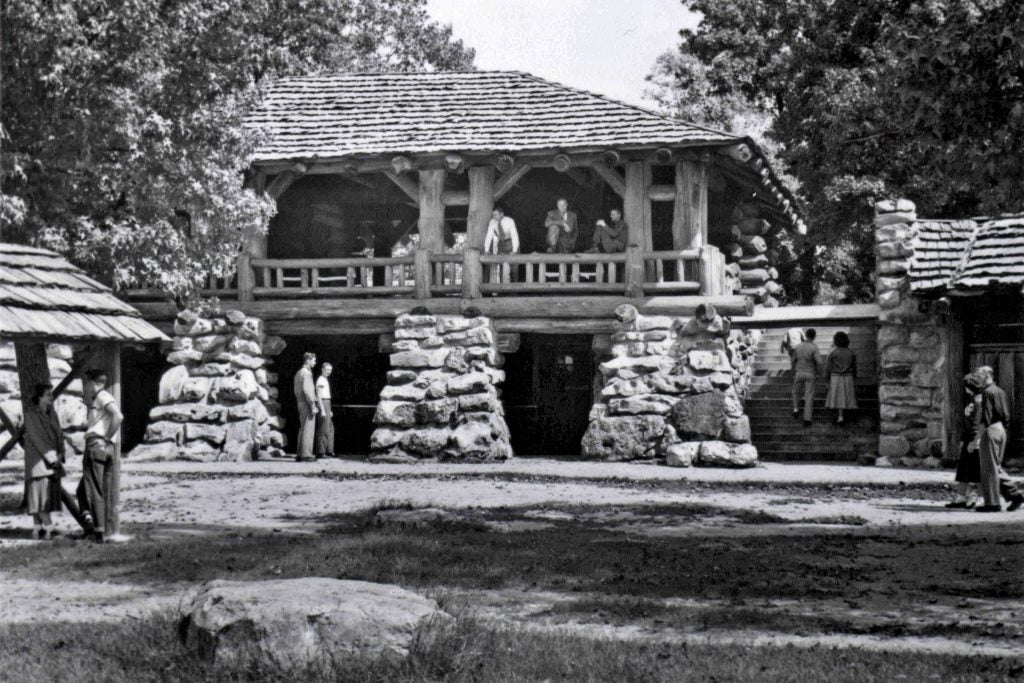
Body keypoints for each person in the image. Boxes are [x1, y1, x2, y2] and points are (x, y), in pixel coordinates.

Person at [77, 369, 122, 543]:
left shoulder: (103, 397)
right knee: (83, 489)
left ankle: (98, 532)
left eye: (87, 383)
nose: (85, 386)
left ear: (93, 382)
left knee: (95, 489)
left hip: (97, 444)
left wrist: (106, 437)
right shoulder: (97, 399)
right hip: (105, 447)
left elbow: (118, 416)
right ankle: (90, 520)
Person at [974, 366, 1024, 512]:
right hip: (1001, 429)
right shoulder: (1000, 391)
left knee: (988, 468)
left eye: (979, 376)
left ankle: (992, 503)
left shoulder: (987, 392)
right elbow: (1006, 414)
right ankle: (1014, 495)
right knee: (995, 466)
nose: (977, 379)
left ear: (986, 376)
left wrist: (976, 439)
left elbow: (986, 418)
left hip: (990, 430)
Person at [23, 384, 66, 540]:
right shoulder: (31, 415)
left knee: (40, 497)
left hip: (52, 460)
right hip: (39, 462)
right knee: (39, 498)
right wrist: (53, 458)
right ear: (39, 397)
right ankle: (50, 529)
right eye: (48, 394)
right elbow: (37, 439)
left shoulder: (52, 414)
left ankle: (38, 529)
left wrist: (61, 453)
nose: (51, 397)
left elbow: (60, 435)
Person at [947, 373, 982, 509]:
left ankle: (982, 497)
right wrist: (964, 439)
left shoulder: (980, 402)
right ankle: (961, 497)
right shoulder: (972, 400)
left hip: (975, 440)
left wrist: (974, 440)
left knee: (976, 470)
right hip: (968, 438)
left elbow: (977, 423)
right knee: (964, 469)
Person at [790, 328, 823, 426]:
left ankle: (795, 409)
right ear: (814, 336)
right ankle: (807, 418)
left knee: (795, 391)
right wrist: (819, 373)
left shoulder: (798, 346)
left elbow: (793, 360)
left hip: (799, 372)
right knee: (809, 395)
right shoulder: (814, 347)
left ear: (805, 335)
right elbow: (820, 362)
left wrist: (792, 371)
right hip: (810, 373)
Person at [824, 331, 858, 425]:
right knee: (847, 395)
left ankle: (840, 416)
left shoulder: (833, 353)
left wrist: (826, 380)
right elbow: (854, 367)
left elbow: (828, 368)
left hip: (836, 377)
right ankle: (848, 416)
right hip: (848, 376)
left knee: (838, 397)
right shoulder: (851, 353)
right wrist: (855, 378)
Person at [483, 205, 520, 282]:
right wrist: (486, 250)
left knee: (514, 269)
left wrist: (514, 250)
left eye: (495, 215)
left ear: (502, 214)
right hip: (501, 244)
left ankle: (514, 288)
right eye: (493, 215)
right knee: (502, 267)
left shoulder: (509, 221)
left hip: (511, 243)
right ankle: (502, 288)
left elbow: (514, 235)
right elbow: (489, 236)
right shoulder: (492, 222)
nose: (494, 217)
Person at [293, 352, 319, 463]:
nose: (315, 362)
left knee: (303, 428)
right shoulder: (306, 373)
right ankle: (306, 454)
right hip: (307, 403)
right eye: (314, 360)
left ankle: (300, 454)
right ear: (308, 360)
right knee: (308, 429)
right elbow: (308, 391)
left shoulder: (299, 372)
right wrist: (312, 405)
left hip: (300, 402)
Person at [314, 362, 335, 459]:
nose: (329, 372)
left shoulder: (325, 380)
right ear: (322, 369)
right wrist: (322, 409)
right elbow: (319, 396)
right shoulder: (321, 380)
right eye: (327, 370)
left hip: (327, 402)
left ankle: (329, 450)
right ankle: (321, 451)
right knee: (323, 428)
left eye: (330, 370)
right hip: (323, 402)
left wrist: (329, 410)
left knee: (330, 427)